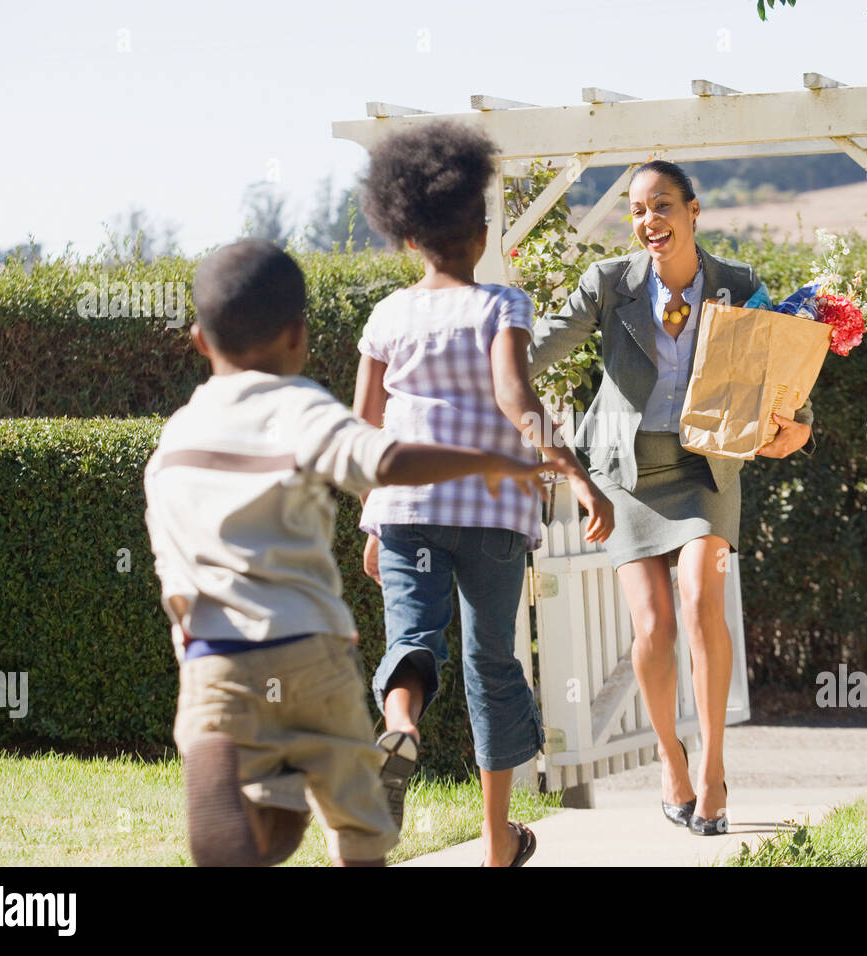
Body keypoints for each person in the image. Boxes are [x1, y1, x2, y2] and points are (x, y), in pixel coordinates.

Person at [144, 239, 547, 867]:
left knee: (235, 830)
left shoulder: (173, 443)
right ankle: (327, 802)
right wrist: (491, 461)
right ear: (298, 335)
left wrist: (196, 655)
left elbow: (172, 565)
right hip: (312, 652)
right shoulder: (299, 407)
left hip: (213, 659)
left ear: (199, 339)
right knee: (360, 832)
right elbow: (383, 459)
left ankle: (268, 785)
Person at [354, 121, 614, 866]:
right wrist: (577, 475)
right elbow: (514, 395)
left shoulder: (386, 316)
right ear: (482, 231)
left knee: (412, 641)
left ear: (407, 239)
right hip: (494, 512)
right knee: (492, 660)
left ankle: (399, 726)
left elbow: (363, 428)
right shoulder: (502, 303)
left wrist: (376, 521)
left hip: (405, 508)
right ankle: (498, 839)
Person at [528, 160, 812, 835]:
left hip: (703, 472)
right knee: (653, 627)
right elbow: (542, 347)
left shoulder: (740, 286)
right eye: (637, 211)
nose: (649, 221)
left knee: (698, 598)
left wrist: (797, 429)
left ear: (692, 212)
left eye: (661, 206)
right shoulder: (608, 283)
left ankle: (712, 769)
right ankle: (671, 759)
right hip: (625, 476)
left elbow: (787, 380)